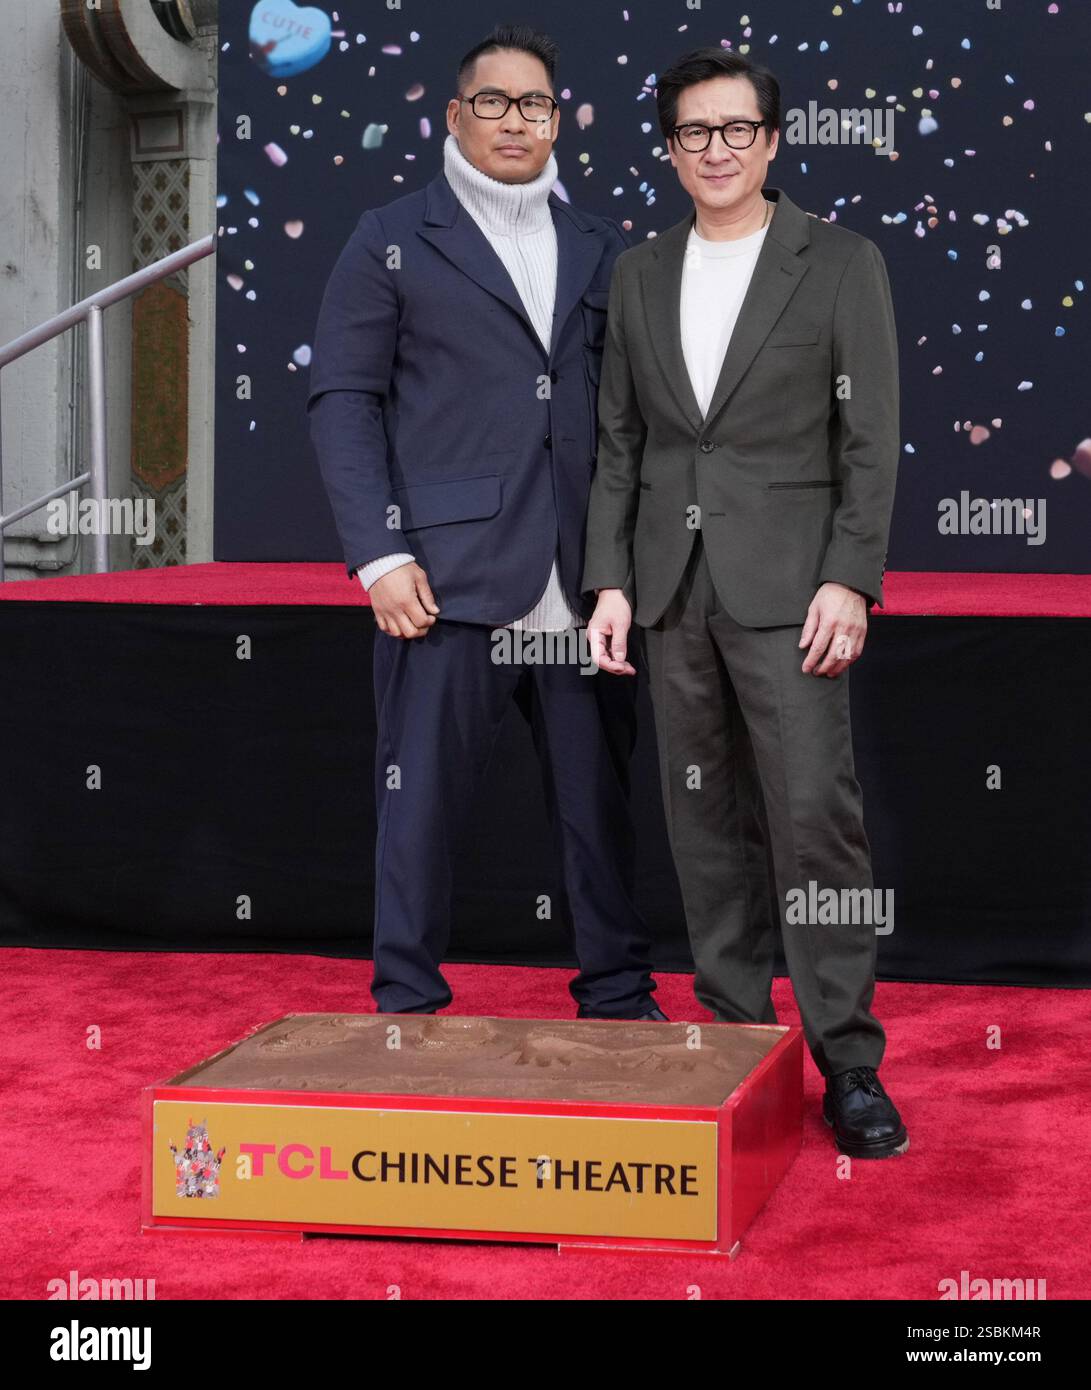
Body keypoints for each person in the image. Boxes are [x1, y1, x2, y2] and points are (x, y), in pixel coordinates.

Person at [583, 46, 908, 1156]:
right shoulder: (634, 272)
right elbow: (619, 443)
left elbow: (870, 443)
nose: (713, 150)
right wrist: (610, 580)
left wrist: (848, 575)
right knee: (701, 826)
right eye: (691, 132)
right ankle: (736, 1043)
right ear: (668, 149)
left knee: (815, 820)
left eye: (734, 130)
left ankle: (848, 1065)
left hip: (793, 589)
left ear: (770, 140)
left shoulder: (839, 261)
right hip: (668, 591)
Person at [307, 24, 664, 1021]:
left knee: (598, 813)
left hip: (580, 583)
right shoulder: (387, 235)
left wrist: (621, 564)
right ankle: (407, 1006)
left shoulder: (602, 247)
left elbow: (622, 413)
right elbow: (342, 399)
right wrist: (377, 553)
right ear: (455, 116)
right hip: (442, 575)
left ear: (560, 121)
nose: (517, 121)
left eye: (536, 104)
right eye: (496, 103)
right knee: (416, 810)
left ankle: (619, 997)